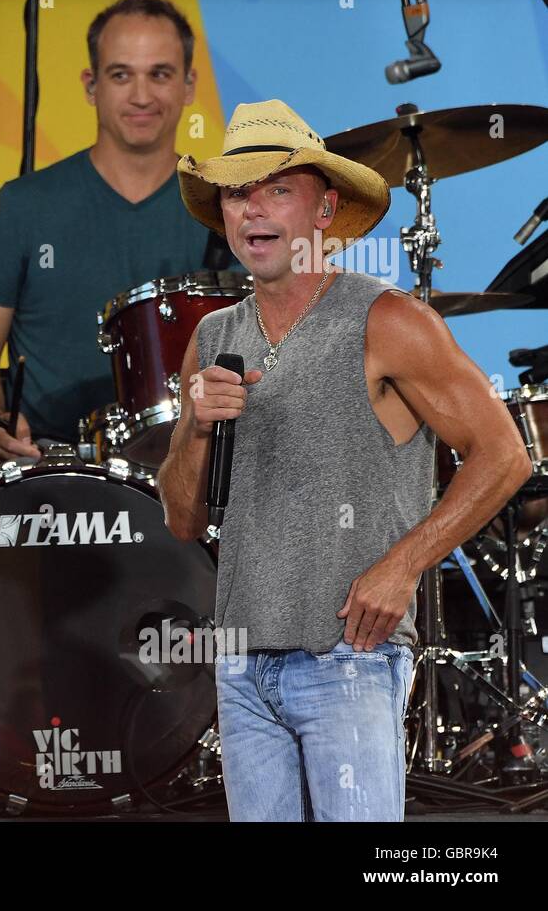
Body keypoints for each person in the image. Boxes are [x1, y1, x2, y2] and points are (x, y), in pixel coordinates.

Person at [158, 99, 533, 821]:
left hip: (348, 659)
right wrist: (196, 429)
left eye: (276, 189)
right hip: (241, 666)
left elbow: (504, 454)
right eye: (237, 192)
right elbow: (181, 519)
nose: (252, 209)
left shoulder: (389, 319)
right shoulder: (209, 338)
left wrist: (402, 566)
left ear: (325, 208)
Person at [0, 0, 232, 461]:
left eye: (159, 74)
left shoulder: (231, 211)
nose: (141, 96)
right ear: (91, 85)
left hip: (199, 476)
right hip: (50, 477)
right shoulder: (21, 207)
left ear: (188, 86)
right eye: (121, 74)